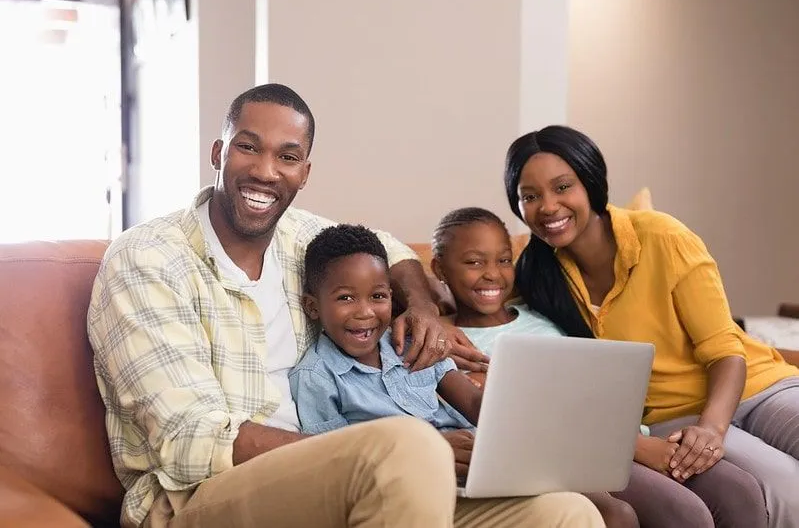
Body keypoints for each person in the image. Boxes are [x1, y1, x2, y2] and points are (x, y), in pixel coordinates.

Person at [87, 83, 602, 528]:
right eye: (249, 148)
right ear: (218, 153)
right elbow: (188, 438)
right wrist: (381, 453)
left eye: (287, 156)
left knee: (566, 512)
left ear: (305, 171)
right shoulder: (147, 259)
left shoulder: (298, 236)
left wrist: (421, 307)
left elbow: (393, 252)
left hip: (346, 478)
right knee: (409, 445)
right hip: (202, 497)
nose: (266, 171)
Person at [503, 125, 797, 527]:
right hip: (673, 414)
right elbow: (480, 301)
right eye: (530, 197)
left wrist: (712, 429)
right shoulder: (536, 275)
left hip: (756, 385)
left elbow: (725, 349)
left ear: (590, 182)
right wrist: (431, 310)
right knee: (787, 491)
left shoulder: (661, 236)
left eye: (562, 187)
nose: (549, 207)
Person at [430, 206, 765, 528]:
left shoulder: (542, 319)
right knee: (684, 514)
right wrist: (640, 448)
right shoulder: (439, 340)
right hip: (566, 452)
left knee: (741, 492)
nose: (492, 273)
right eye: (474, 262)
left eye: (504, 260)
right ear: (439, 269)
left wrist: (635, 441)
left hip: (620, 436)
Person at [289, 223, 605, 527]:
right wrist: (434, 451)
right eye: (346, 297)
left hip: (481, 464)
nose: (365, 312)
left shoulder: (412, 341)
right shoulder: (316, 377)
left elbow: (472, 401)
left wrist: (519, 402)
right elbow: (337, 467)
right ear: (313, 307)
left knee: (596, 507)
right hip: (413, 488)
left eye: (378, 296)